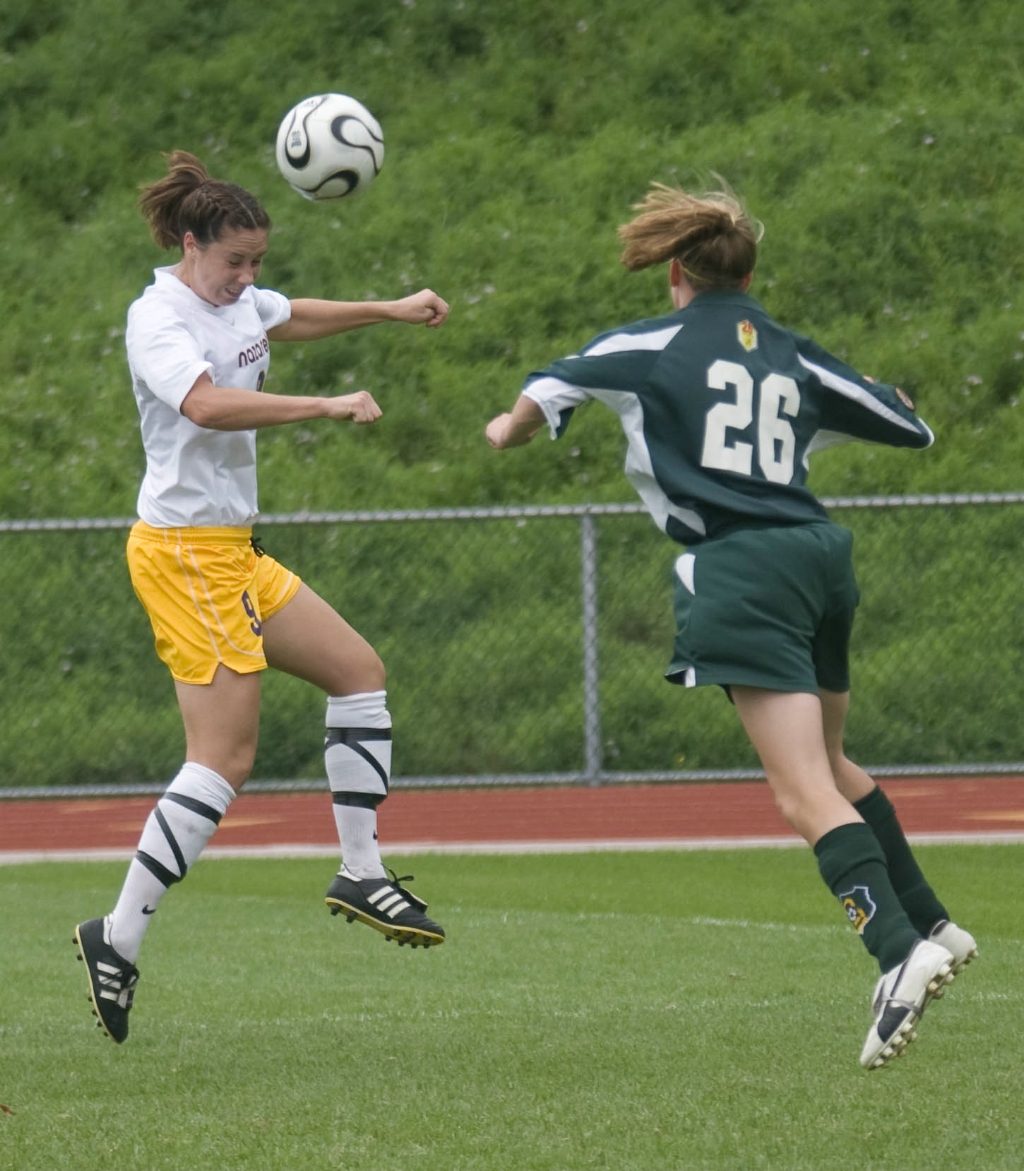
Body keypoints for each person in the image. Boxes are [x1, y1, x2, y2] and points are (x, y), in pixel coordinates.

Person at [485, 180, 977, 1071]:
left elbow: (541, 395)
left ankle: (896, 950)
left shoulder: (645, 344)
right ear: (748, 276)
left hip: (742, 570)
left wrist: (505, 427)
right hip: (821, 558)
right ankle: (933, 922)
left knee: (801, 790)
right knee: (832, 764)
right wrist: (892, 397)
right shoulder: (791, 352)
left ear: (674, 271)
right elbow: (912, 429)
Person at [74, 150, 450, 1044]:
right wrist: (322, 406)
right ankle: (116, 936)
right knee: (224, 758)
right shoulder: (158, 317)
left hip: (233, 550)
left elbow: (289, 315)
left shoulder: (238, 296)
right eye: (234, 261)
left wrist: (389, 309)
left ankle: (361, 870)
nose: (248, 278)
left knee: (358, 671)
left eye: (258, 262)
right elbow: (205, 406)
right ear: (190, 243)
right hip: (182, 555)